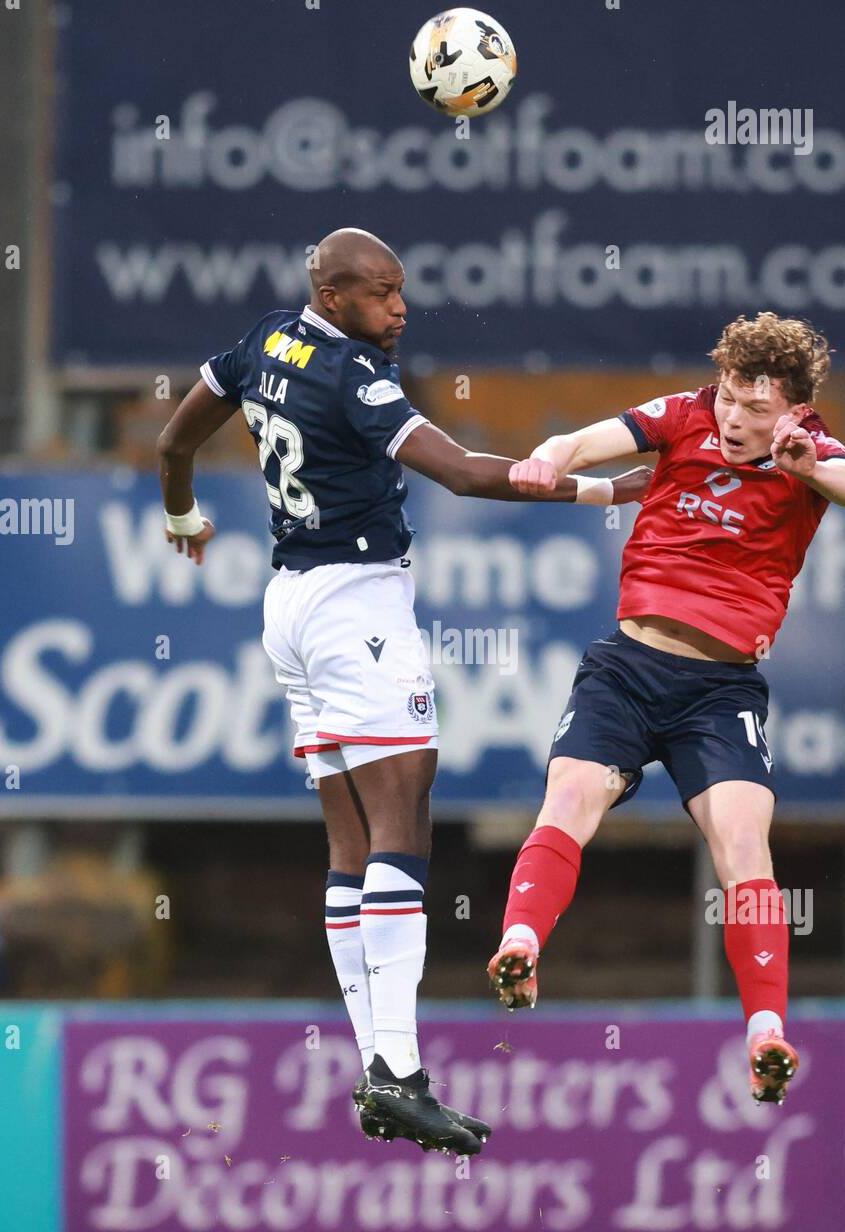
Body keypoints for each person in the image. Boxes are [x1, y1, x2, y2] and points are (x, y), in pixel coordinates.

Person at [158, 227, 650, 1153]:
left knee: (351, 842)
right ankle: (400, 1069)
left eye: (401, 291)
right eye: (381, 293)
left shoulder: (264, 341)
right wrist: (599, 492)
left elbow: (175, 435)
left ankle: (381, 1071)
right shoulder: (352, 374)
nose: (399, 309)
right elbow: (462, 474)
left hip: (289, 604)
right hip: (356, 606)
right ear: (334, 294)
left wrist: (181, 511)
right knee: (403, 821)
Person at [489, 312, 845, 1105]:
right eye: (731, 400)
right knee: (568, 799)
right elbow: (581, 443)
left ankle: (765, 1032)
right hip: (627, 668)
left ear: (794, 412)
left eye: (756, 410)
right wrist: (542, 458)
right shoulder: (683, 414)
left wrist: (805, 466)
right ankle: (520, 945)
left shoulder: (811, 450)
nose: (735, 420)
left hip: (720, 691)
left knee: (744, 844)